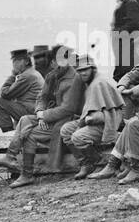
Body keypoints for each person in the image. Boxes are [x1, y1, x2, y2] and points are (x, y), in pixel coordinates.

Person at [5, 48, 87, 189]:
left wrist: (45, 117)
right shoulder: (52, 76)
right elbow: (41, 97)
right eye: (55, 62)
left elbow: (68, 108)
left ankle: (25, 172)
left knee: (30, 134)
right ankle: (15, 163)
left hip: (71, 119)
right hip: (52, 117)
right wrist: (40, 113)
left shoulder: (74, 79)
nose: (56, 65)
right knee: (25, 119)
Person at [60, 55, 126, 179]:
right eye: (80, 70)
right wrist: (84, 120)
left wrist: (87, 120)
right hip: (95, 121)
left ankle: (101, 162)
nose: (83, 73)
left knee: (78, 136)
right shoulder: (89, 83)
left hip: (107, 123)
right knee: (66, 129)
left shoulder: (98, 83)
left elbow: (108, 113)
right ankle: (86, 164)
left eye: (86, 69)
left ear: (93, 68)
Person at [0, 48, 45, 131]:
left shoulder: (27, 76)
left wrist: (12, 76)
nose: (14, 64)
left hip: (32, 110)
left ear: (26, 62)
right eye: (13, 61)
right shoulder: (32, 73)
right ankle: (14, 130)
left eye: (17, 61)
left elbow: (6, 94)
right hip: (33, 109)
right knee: (13, 101)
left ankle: (8, 132)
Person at [108, 0, 139, 79]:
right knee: (121, 69)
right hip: (121, 42)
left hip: (127, 41)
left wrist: (117, 31)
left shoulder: (131, 2)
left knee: (125, 71)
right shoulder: (124, 3)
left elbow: (134, 23)